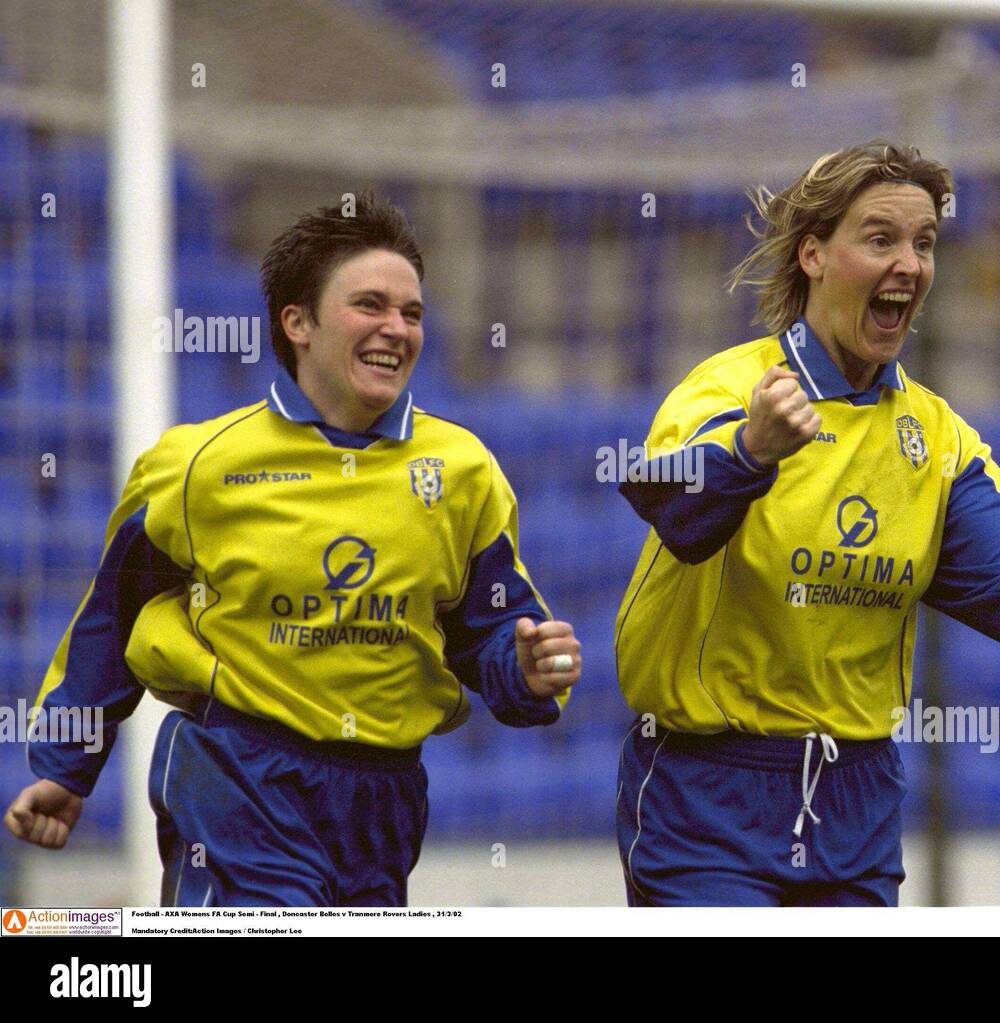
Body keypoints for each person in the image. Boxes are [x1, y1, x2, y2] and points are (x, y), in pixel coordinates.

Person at [613, 141, 1000, 906]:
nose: (909, 262)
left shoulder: (939, 441)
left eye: (925, 243)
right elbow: (673, 509)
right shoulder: (730, 389)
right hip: (709, 798)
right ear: (813, 254)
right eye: (881, 239)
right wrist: (751, 450)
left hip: (856, 804)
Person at [4, 192, 581, 906]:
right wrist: (66, 765)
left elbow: (491, 630)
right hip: (238, 776)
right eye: (370, 304)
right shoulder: (200, 465)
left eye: (412, 312)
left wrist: (525, 670)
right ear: (297, 322)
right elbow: (112, 616)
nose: (395, 328)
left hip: (383, 795)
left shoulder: (462, 469)